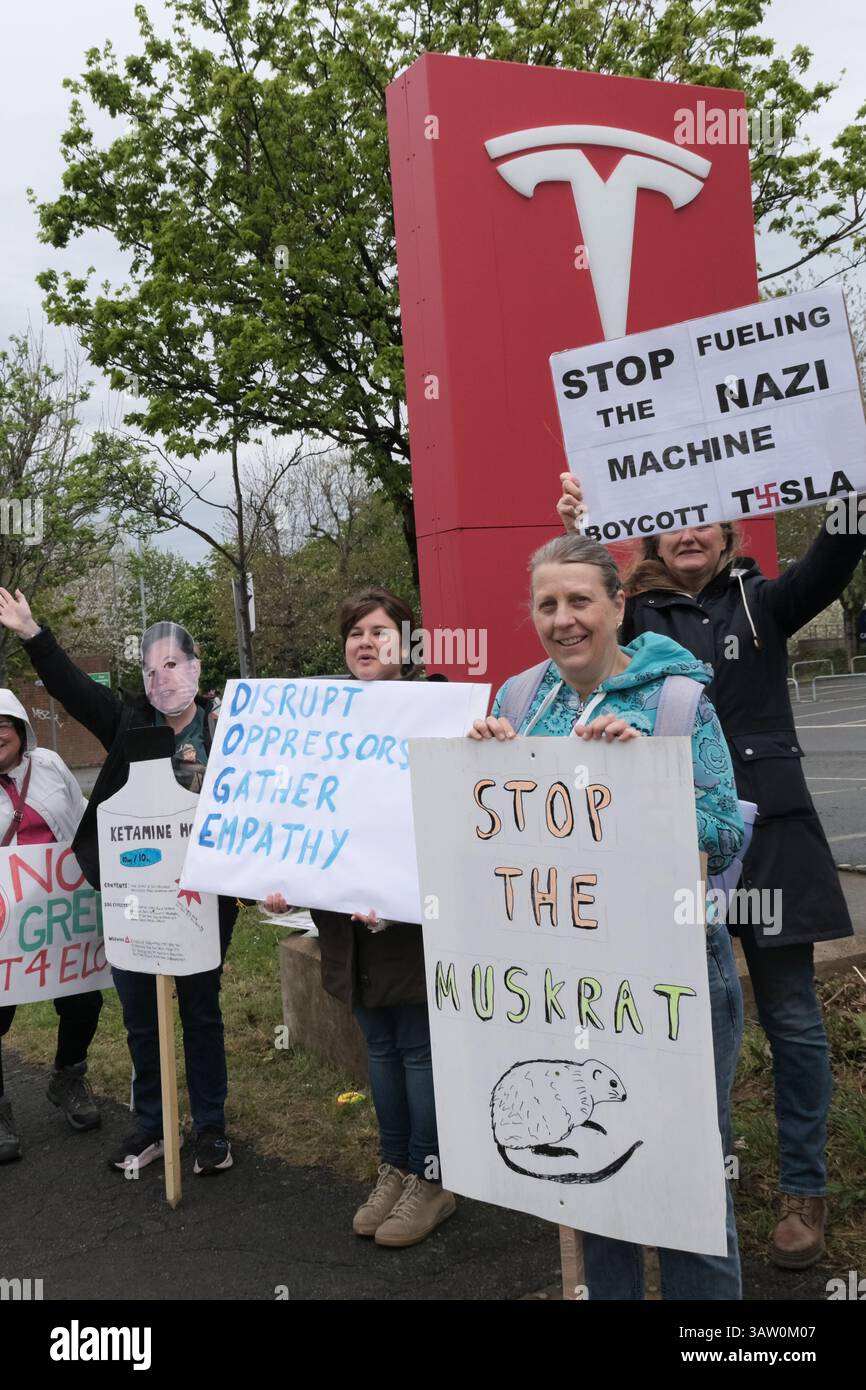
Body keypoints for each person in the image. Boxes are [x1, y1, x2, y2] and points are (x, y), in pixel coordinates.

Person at [558, 474, 866, 1268]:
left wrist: (854, 475)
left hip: (772, 842)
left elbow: (839, 550)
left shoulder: (766, 602)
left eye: (706, 520)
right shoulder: (636, 615)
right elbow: (580, 600)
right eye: (671, 525)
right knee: (674, 1026)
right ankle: (684, 1178)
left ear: (730, 534)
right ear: (652, 541)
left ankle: (805, 1190)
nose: (689, 534)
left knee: (792, 1017)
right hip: (669, 848)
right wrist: (584, 524)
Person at [469, 533, 745, 1300]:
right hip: (573, 982)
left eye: (581, 600)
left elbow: (723, 837)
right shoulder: (519, 702)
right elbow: (494, 849)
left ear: (617, 605)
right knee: (597, 1183)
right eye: (547, 604)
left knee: (689, 1183)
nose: (565, 619)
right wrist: (481, 770)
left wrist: (646, 778)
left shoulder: (675, 698)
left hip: (678, 977)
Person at [0, 592, 236, 1177]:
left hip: (203, 901)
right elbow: (72, 689)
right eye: (150, 669)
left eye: (172, 664)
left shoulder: (228, 729)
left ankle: (210, 1131)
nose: (161, 677)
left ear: (196, 664)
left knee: (200, 1013)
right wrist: (33, 632)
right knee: (140, 1014)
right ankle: (151, 1126)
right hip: (133, 901)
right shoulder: (129, 721)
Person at [265, 587, 456, 1248]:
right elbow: (302, 811)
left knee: (418, 1049)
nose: (366, 642)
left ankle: (433, 1180)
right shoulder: (323, 721)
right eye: (355, 632)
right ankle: (395, 1167)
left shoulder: (437, 711)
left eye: (381, 630)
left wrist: (402, 887)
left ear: (407, 643)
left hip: (412, 920)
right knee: (379, 1043)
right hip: (350, 923)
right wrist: (283, 878)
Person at [0, 690, 101, 1161]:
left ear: (21, 728)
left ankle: (68, 1078)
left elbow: (81, 823)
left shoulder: (52, 768)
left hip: (61, 922)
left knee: (84, 1000)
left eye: (5, 723)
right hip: (5, 926)